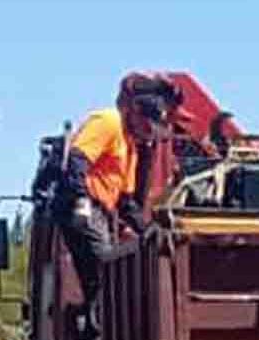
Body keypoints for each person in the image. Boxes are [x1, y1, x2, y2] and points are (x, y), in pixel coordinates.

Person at [52, 77, 175, 312]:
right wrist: (80, 201)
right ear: (135, 111)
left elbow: (125, 201)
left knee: (98, 279)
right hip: (83, 207)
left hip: (99, 211)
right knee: (107, 272)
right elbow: (77, 158)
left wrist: (147, 229)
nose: (148, 133)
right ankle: (101, 332)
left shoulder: (130, 146)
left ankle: (96, 330)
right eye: (147, 126)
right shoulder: (108, 122)